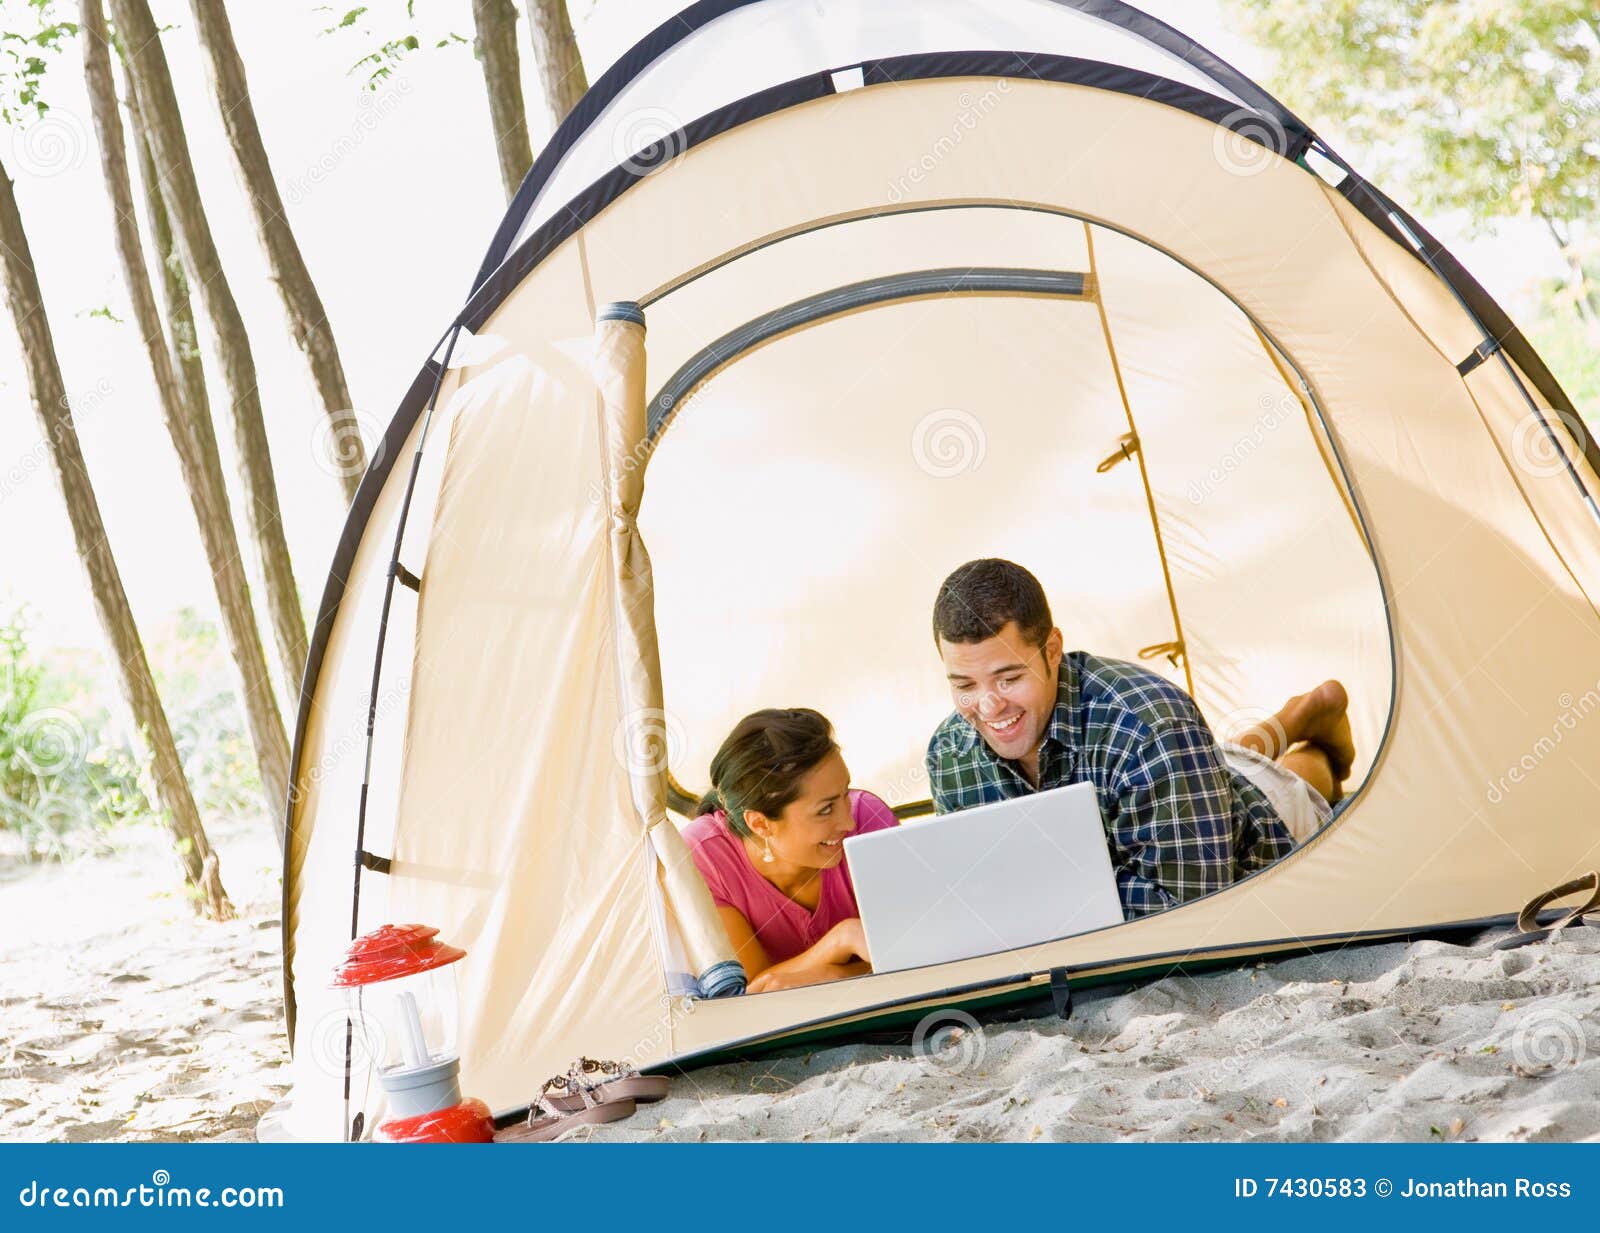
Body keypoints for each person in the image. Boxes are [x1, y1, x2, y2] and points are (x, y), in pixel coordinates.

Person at [925, 558, 1355, 918]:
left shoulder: (1153, 731)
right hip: (1191, 777)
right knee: (1228, 758)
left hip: (1258, 817)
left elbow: (1190, 911)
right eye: (964, 686)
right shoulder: (949, 756)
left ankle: (1315, 734)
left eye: (1009, 677)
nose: (988, 706)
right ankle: (1296, 718)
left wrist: (1037, 892)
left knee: (1293, 780)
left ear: (1053, 650)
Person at [684, 708, 898, 993]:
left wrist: (833, 975)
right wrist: (842, 940)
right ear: (760, 823)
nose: (848, 822)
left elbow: (914, 949)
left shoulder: (868, 819)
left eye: (845, 793)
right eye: (825, 810)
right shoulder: (703, 858)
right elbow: (747, 992)